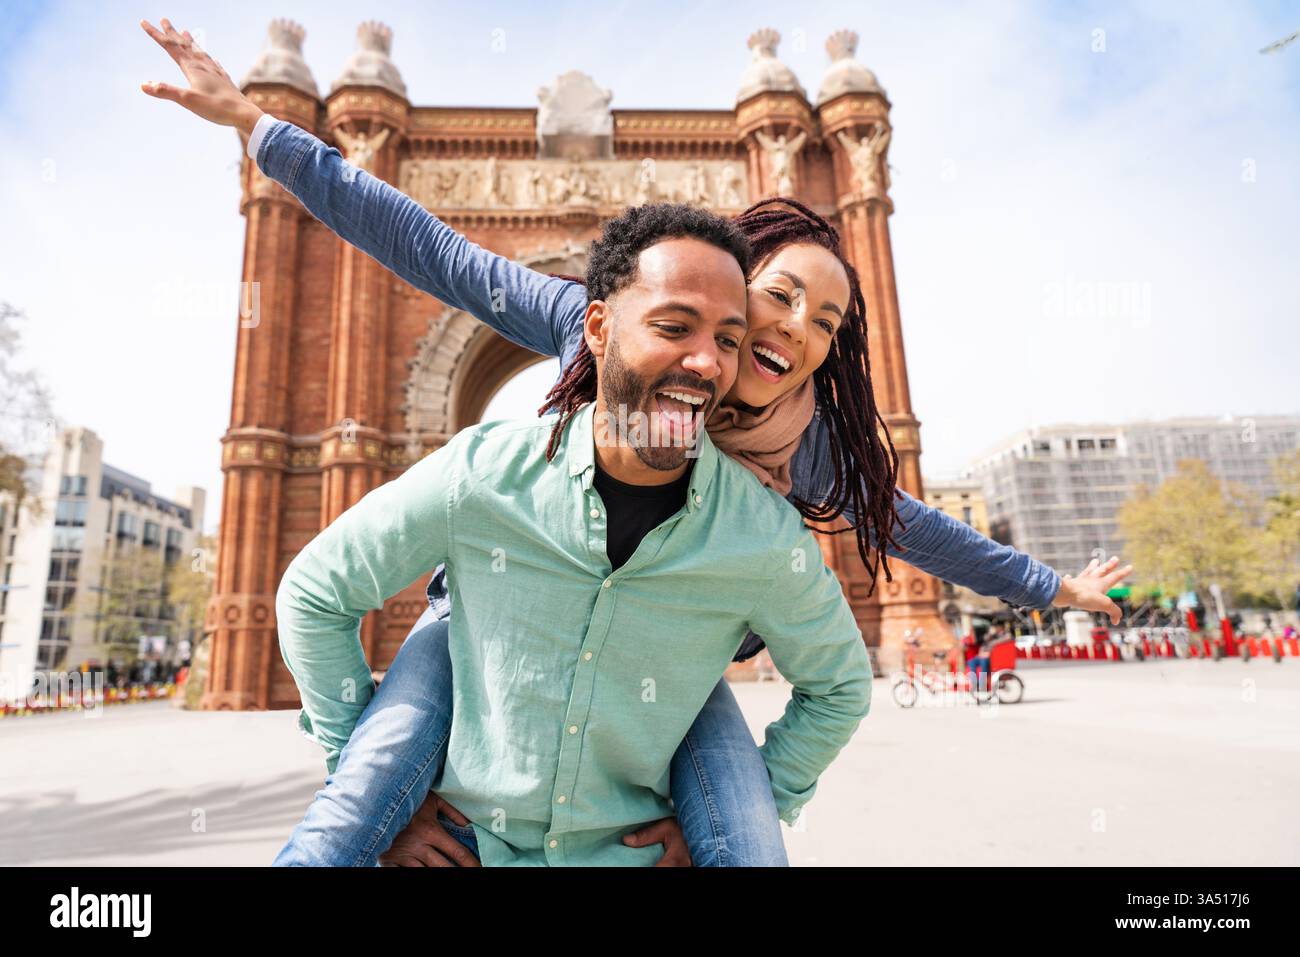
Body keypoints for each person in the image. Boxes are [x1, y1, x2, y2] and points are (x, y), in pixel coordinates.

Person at [140, 17, 1133, 866]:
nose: (786, 330)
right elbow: (430, 249)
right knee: (357, 807)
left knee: (744, 839)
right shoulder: (593, 324)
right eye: (773, 296)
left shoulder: (803, 443)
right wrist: (259, 129)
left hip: (674, 652)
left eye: (822, 322)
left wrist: (1052, 590)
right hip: (498, 607)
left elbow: (909, 528)